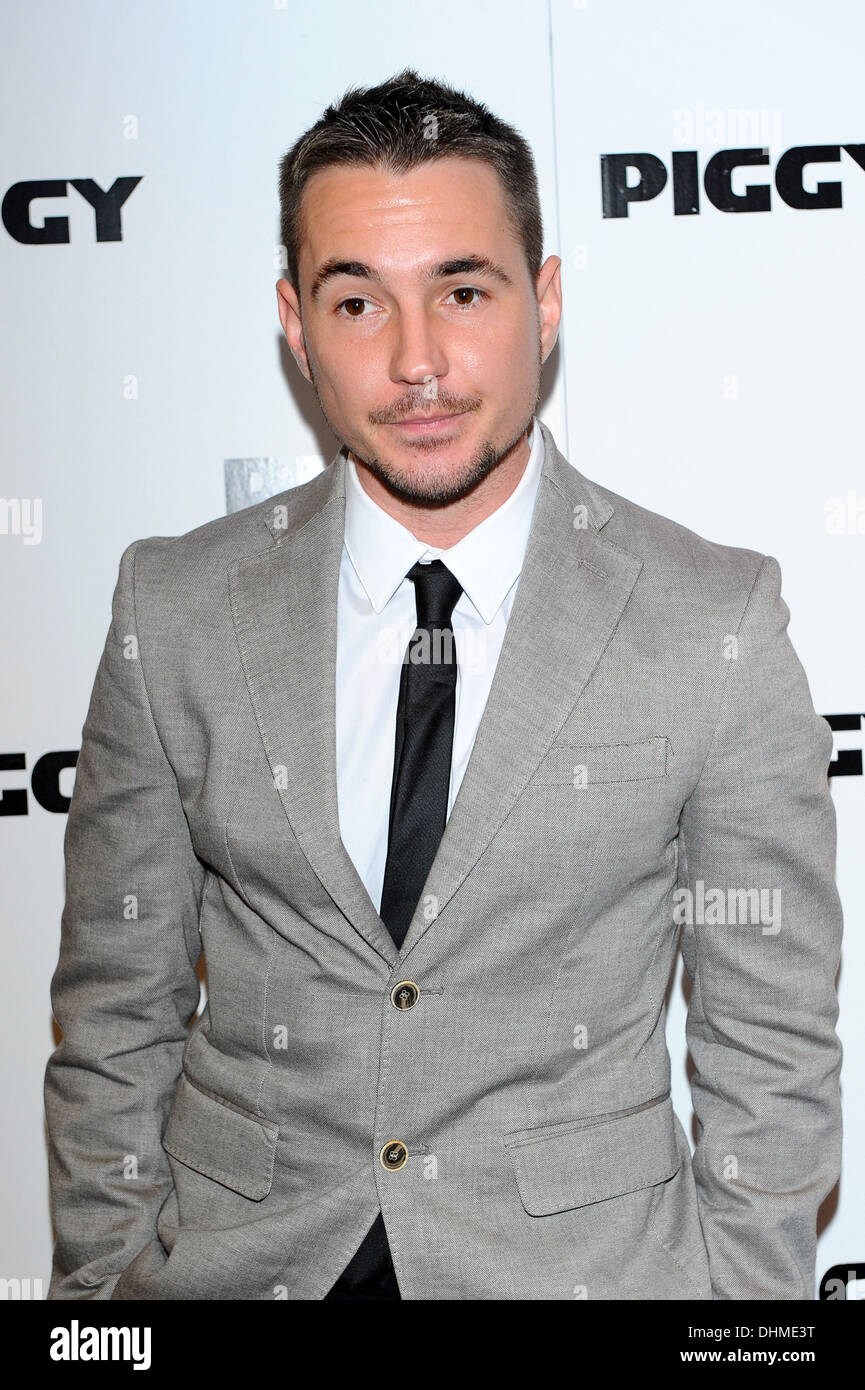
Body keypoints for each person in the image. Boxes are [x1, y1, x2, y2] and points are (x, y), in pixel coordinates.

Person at [44, 68, 842, 1301]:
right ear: (295, 324)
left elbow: (770, 1045)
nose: (418, 363)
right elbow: (113, 1013)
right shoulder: (176, 606)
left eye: (462, 291)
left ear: (546, 302)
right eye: (358, 301)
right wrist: (103, 1304)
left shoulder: (709, 620)